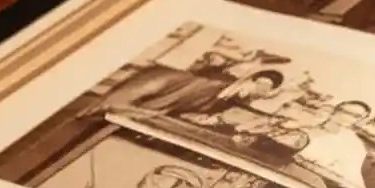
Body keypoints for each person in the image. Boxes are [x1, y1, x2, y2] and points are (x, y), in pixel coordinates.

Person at [82, 65, 285, 121]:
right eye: (259, 84)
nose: (259, 90)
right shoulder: (213, 83)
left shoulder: (230, 101)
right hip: (150, 93)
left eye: (265, 90)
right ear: (250, 79)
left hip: (151, 107)